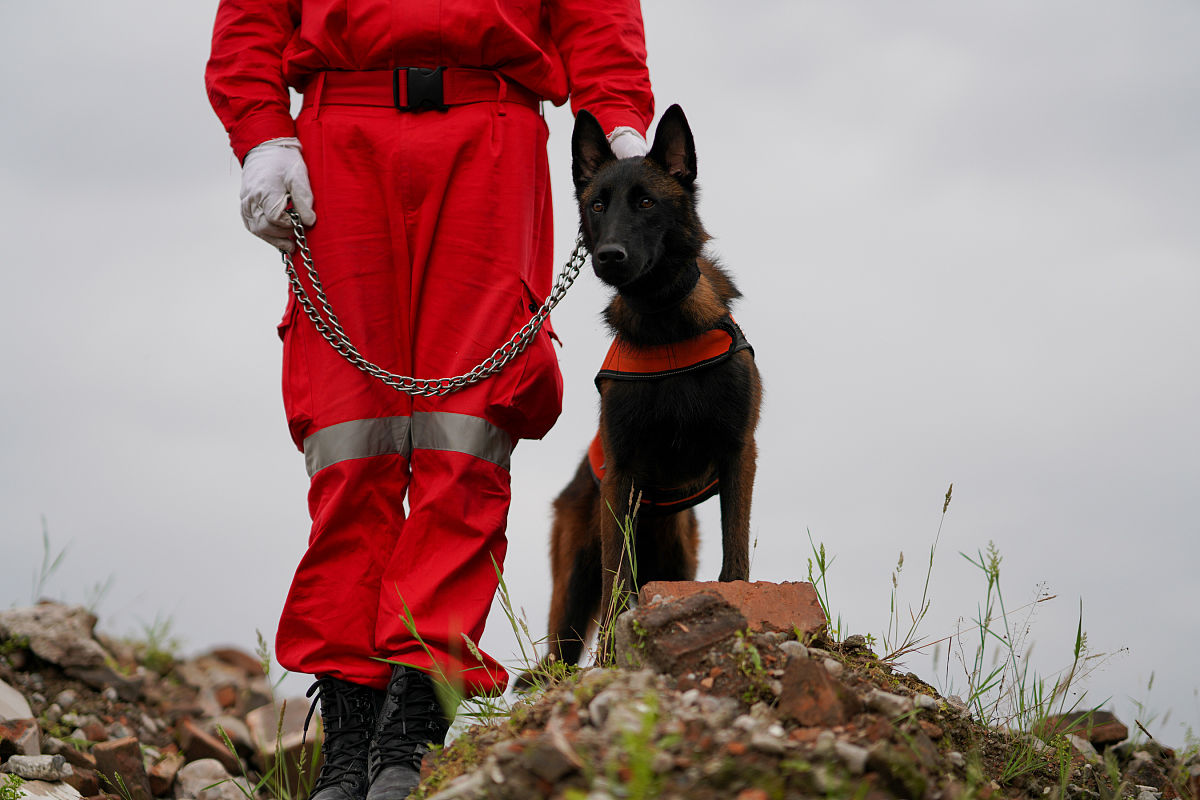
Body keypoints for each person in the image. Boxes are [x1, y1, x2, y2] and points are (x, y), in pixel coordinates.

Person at [205, 2, 653, 799]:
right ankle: (349, 730)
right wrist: (263, 132)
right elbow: (252, 14)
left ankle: (411, 725)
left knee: (468, 433)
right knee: (349, 437)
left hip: (494, 131)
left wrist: (617, 116)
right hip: (341, 131)